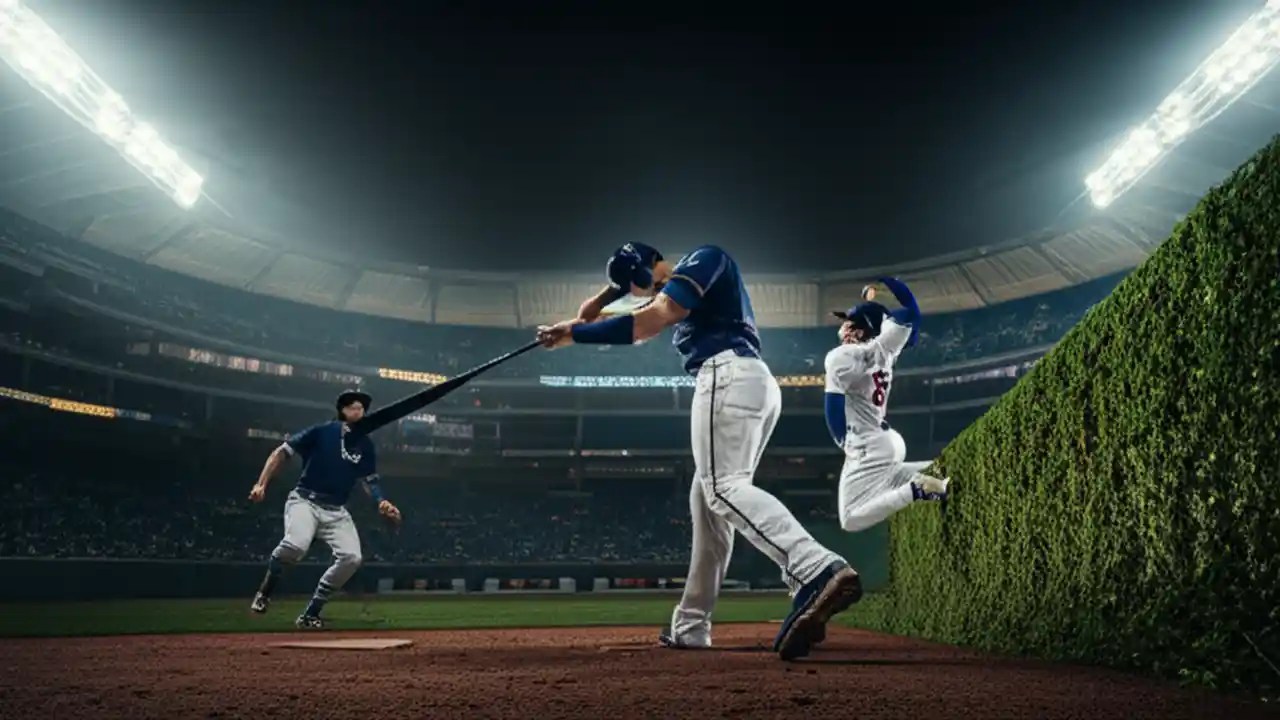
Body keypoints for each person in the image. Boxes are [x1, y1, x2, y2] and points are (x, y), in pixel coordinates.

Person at [537, 242, 860, 660]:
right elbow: (594, 316)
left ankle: (815, 568)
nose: (640, 292)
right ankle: (690, 625)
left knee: (722, 488)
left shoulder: (704, 259)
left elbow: (647, 322)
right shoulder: (667, 291)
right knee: (707, 502)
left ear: (648, 267)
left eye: (637, 283)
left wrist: (575, 333)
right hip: (748, 382)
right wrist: (588, 312)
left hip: (727, 374)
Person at [247, 390, 401, 629]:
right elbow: (281, 452)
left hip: (336, 510)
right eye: (352, 407)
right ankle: (265, 592)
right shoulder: (322, 431)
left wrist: (381, 501)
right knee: (295, 546)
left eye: (361, 408)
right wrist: (261, 484)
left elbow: (369, 480)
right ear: (342, 411)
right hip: (305, 501)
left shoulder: (365, 445)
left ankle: (310, 614)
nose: (358, 412)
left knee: (352, 558)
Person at [824, 278, 949, 534]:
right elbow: (911, 312)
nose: (842, 330)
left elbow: (833, 402)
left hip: (867, 443)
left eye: (847, 325)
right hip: (887, 440)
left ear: (858, 331)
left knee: (849, 519)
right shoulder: (886, 348)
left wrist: (842, 440)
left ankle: (917, 490)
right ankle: (931, 471)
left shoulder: (840, 356)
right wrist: (891, 284)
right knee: (892, 479)